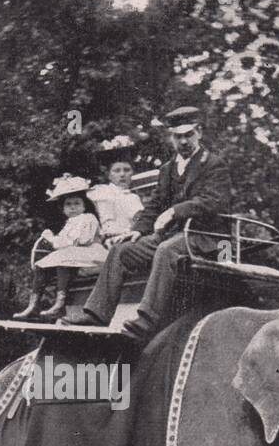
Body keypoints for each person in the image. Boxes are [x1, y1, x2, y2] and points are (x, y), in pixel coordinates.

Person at [62, 106, 235, 342]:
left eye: (188, 135)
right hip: (174, 235)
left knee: (166, 251)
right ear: (172, 137)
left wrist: (175, 211)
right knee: (121, 250)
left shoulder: (214, 164)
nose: (183, 141)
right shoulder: (168, 169)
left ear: (199, 133)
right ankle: (96, 314)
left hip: (204, 235)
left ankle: (146, 320)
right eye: (178, 136)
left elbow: (213, 202)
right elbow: (154, 206)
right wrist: (136, 231)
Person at [12, 175, 106, 322]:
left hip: (91, 253)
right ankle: (34, 305)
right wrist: (54, 239)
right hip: (75, 254)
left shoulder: (88, 218)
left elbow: (82, 240)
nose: (73, 207)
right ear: (63, 208)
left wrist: (53, 240)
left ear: (84, 205)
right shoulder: (69, 223)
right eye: (68, 204)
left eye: (77, 203)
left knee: (62, 259)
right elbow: (63, 242)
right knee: (41, 265)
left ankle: (60, 304)